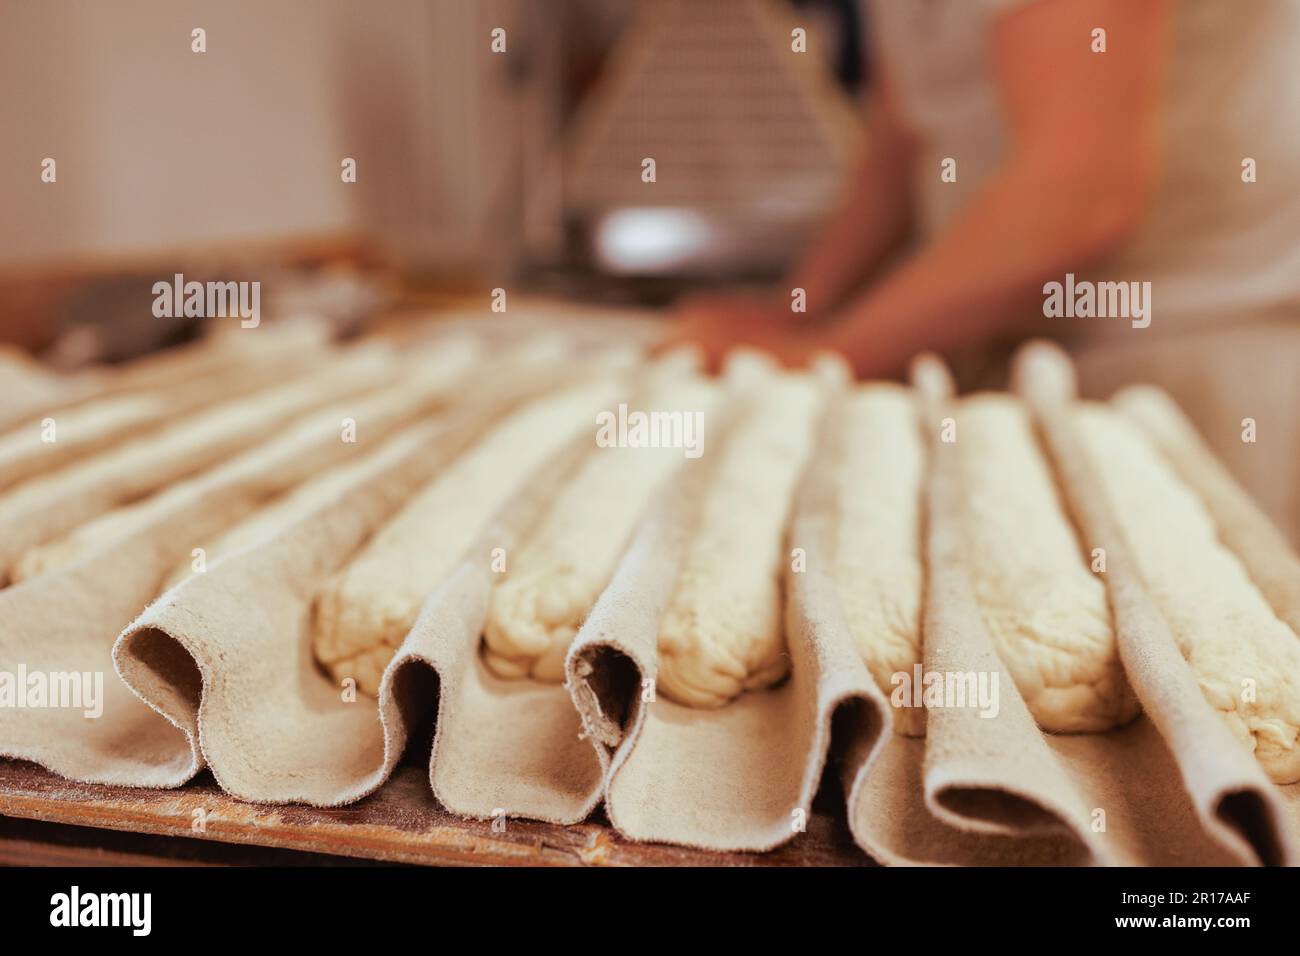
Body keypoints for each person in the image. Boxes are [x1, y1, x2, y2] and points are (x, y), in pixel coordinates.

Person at [670, 0, 1300, 541]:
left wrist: (822, 356)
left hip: (1173, 364)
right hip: (1014, 350)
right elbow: (909, 133)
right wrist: (799, 310)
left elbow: (1079, 195)